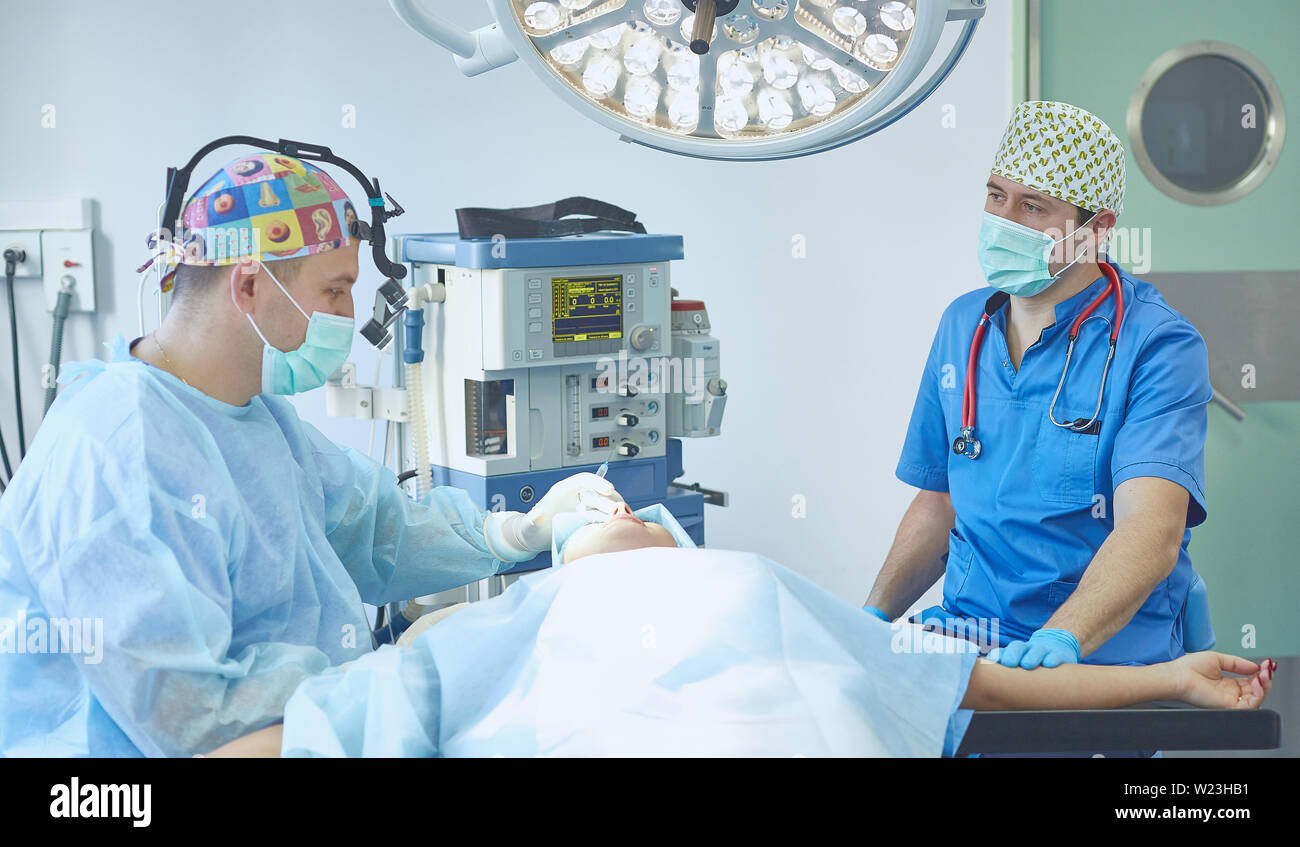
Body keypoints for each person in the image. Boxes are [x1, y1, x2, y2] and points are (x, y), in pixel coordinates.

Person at [0, 152, 618, 757]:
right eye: (337, 289)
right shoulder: (117, 451)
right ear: (248, 284)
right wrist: (396, 675)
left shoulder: (251, 415)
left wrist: (515, 532)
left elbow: (376, 528)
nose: (349, 316)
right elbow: (191, 719)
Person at [200, 513, 1274, 757]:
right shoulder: (518, 618)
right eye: (591, 518)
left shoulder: (756, 582)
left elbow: (982, 682)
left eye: (624, 514)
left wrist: (1168, 675)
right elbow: (306, 735)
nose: (611, 515)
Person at [865, 101, 1214, 675]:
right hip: (969, 631)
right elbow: (939, 500)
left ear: (1097, 228)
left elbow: (1151, 526)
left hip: (1102, 647)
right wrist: (872, 618)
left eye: (1032, 206)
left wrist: (1062, 639)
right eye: (996, 195)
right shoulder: (963, 325)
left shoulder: (1158, 345)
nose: (1003, 220)